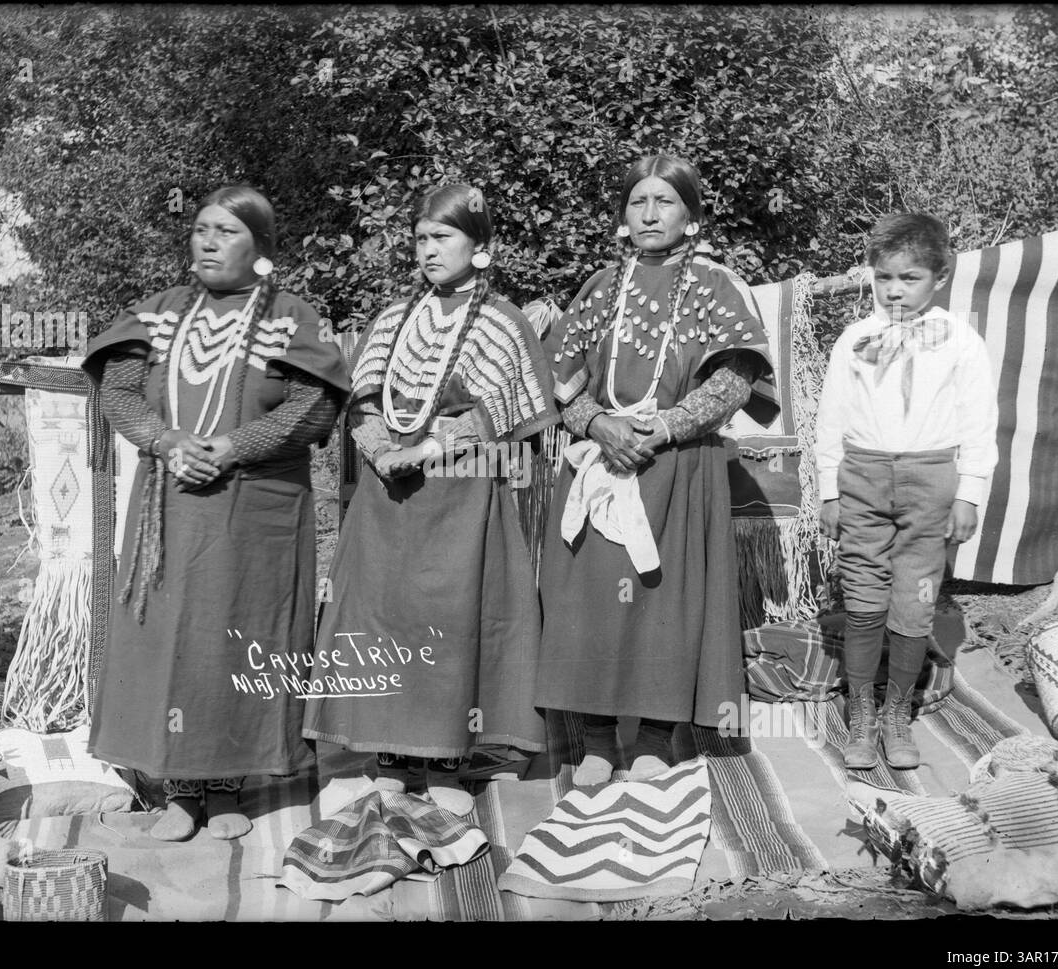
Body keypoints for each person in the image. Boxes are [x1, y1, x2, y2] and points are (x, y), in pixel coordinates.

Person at [82, 185, 350, 840]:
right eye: (200, 228)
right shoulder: (162, 313)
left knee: (239, 635)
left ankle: (232, 783)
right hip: (172, 502)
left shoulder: (292, 317)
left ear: (260, 250)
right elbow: (118, 391)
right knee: (174, 636)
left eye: (226, 231)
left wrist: (234, 445)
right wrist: (166, 441)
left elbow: (312, 405)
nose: (205, 240)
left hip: (256, 509)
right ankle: (179, 787)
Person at [303, 183, 558, 816]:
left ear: (480, 249)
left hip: (462, 498)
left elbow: (507, 410)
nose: (427, 249)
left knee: (450, 620)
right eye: (420, 238)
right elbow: (363, 399)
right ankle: (388, 754)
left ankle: (448, 756)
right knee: (382, 613)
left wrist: (428, 450)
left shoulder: (503, 322)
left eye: (442, 237)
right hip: (389, 499)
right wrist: (376, 446)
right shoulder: (393, 319)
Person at [536, 154, 778, 787]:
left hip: (676, 466)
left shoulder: (717, 284)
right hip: (602, 462)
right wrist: (597, 424)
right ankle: (591, 735)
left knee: (659, 599)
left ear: (691, 217)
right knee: (588, 598)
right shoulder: (597, 288)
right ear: (623, 214)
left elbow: (736, 377)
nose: (649, 213)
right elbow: (559, 384)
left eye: (665, 202)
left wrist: (664, 426)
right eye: (638, 201)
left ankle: (650, 734)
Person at [816, 212, 997, 770]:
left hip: (931, 481)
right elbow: (831, 420)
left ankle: (898, 712)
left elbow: (979, 421)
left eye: (910, 277)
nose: (894, 289)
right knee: (864, 599)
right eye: (884, 276)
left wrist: (969, 493)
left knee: (916, 602)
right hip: (863, 478)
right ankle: (862, 714)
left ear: (939, 278)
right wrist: (829, 491)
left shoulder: (960, 341)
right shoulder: (855, 339)